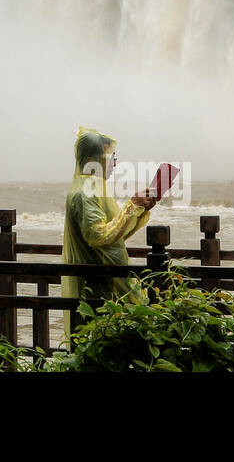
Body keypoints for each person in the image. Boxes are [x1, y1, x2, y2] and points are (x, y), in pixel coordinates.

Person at [61, 127, 156, 325]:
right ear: (90, 162)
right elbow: (98, 236)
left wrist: (138, 209)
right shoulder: (85, 192)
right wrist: (132, 207)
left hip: (107, 283)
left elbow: (114, 235)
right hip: (98, 288)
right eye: (107, 157)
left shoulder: (94, 189)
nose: (114, 163)